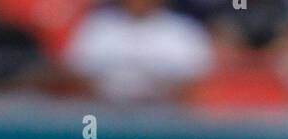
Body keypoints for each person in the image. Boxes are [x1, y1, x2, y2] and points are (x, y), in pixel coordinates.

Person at [63, 0, 213, 104]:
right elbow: (73, 73)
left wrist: (155, 88)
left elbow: (201, 81)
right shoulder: (98, 25)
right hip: (104, 111)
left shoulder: (183, 30)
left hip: (169, 115)